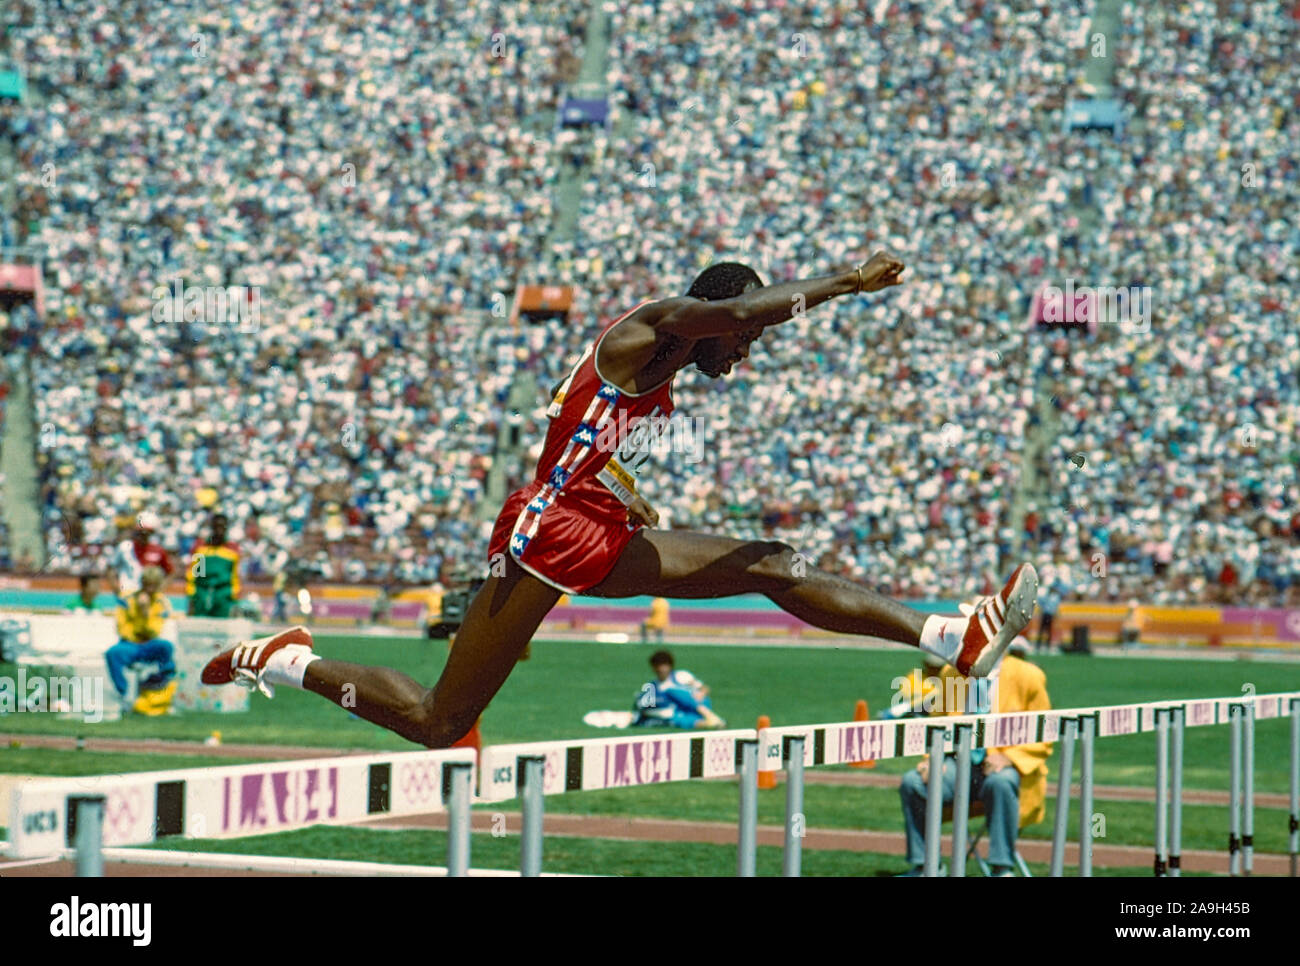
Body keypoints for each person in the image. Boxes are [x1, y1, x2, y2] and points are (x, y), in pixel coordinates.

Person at [204, 254, 1039, 747]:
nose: (743, 355)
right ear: (714, 319)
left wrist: (625, 494)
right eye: (741, 342)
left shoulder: (665, 375)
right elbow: (738, 309)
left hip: (595, 526)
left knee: (770, 564)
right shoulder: (652, 328)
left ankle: (948, 635)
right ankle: (286, 659)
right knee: (438, 719)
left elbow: (592, 451)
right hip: (546, 530)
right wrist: (844, 283)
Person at [896, 631, 1052, 877]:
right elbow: (936, 726)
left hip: (1003, 768)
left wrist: (1008, 758)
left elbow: (1044, 733)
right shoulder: (952, 674)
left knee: (1002, 781)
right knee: (913, 782)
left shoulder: (1028, 676)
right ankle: (926, 867)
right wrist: (933, 760)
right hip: (958, 765)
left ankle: (1001, 868)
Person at [106, 566, 178, 715]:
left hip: (150, 644)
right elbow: (122, 627)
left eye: (153, 585)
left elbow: (155, 631)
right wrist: (137, 633)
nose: (149, 589)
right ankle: (123, 693)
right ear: (142, 583)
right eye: (147, 584)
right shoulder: (126, 599)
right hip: (130, 644)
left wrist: (145, 613)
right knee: (112, 653)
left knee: (166, 647)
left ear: (158, 586)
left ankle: (160, 685)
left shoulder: (162, 603)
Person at [633, 650, 723, 729]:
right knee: (676, 718)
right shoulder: (654, 686)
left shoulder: (681, 676)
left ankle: (709, 715)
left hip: (699, 703)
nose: (662, 669)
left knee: (671, 691)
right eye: (659, 666)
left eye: (664, 665)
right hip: (682, 711)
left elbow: (704, 688)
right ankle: (711, 724)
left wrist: (700, 694)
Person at [186, 512, 241, 617]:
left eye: (222, 526)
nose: (219, 529)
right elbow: (194, 574)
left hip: (223, 594)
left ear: (226, 528)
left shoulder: (232, 549)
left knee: (222, 628)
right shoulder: (201, 547)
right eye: (216, 526)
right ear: (212, 527)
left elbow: (235, 576)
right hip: (202, 593)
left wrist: (235, 598)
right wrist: (191, 596)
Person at [109, 510, 173, 598]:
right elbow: (110, 568)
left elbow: (170, 572)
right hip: (128, 594)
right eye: (140, 531)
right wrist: (116, 589)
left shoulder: (158, 550)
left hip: (149, 596)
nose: (143, 534)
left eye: (146, 531)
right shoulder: (125, 547)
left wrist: (159, 590)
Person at [1035, 579, 1061, 653]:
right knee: (1041, 631)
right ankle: (1038, 646)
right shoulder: (1046, 596)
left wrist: (1056, 614)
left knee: (1049, 631)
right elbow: (1040, 604)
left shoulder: (1055, 597)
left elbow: (1056, 607)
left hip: (1050, 615)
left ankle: (1047, 646)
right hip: (1045, 614)